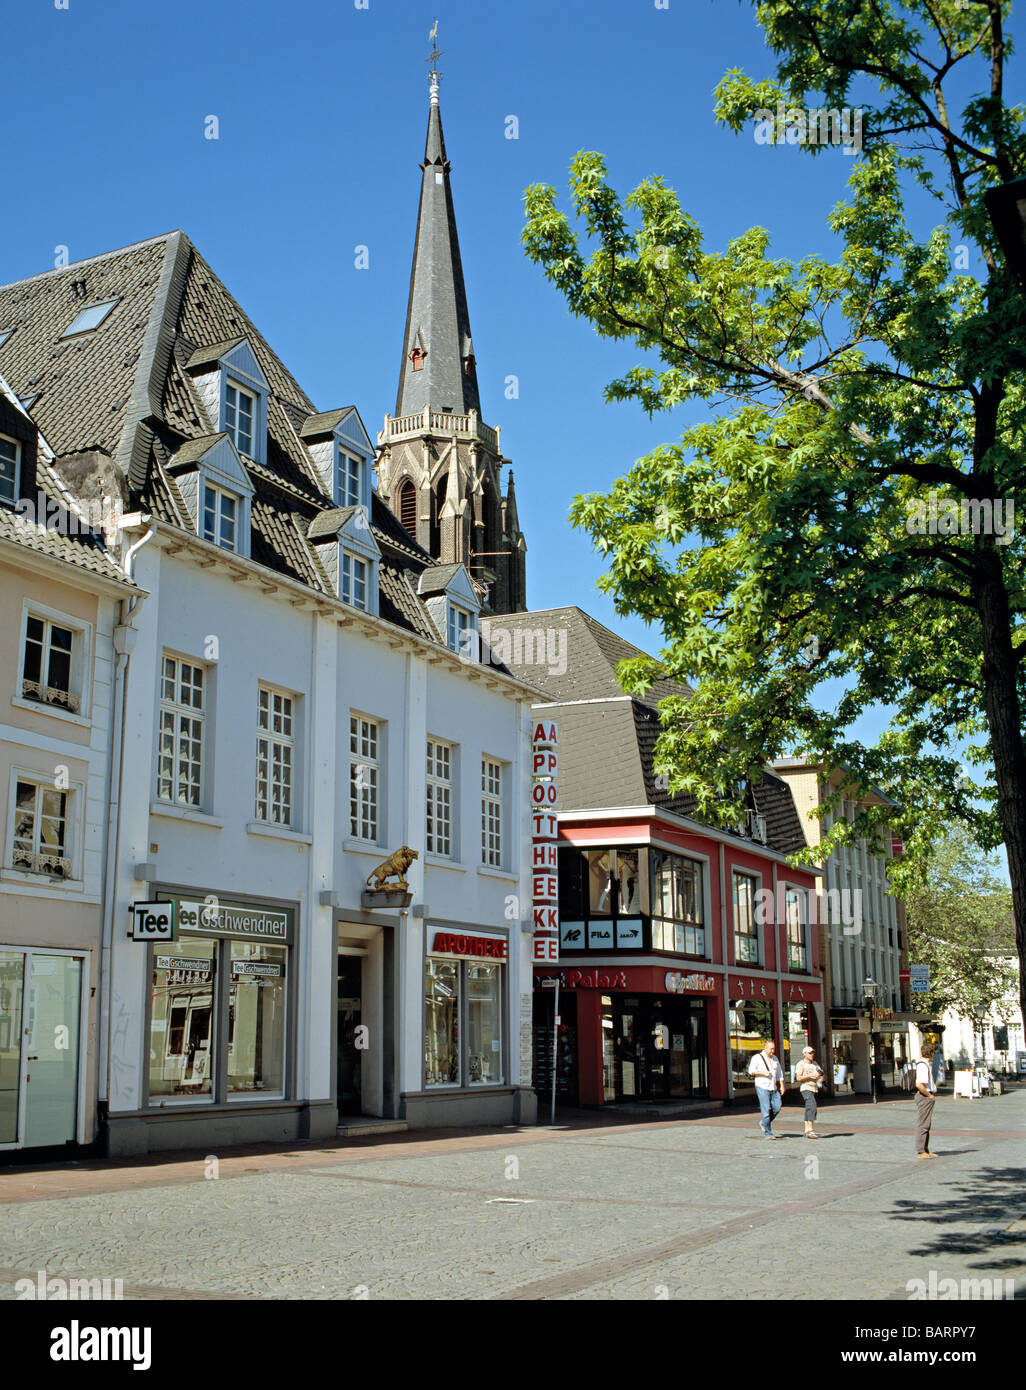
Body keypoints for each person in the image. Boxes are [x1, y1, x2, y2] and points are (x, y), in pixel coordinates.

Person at [748, 1039, 786, 1138]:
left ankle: (763, 1123)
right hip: (762, 1086)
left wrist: (781, 1085)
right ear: (765, 1048)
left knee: (777, 1107)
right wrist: (763, 1073)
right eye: (770, 1049)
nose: (772, 1051)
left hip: (773, 1087)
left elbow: (779, 1073)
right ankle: (768, 1133)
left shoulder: (775, 1059)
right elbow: (751, 1071)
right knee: (766, 1111)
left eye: (774, 1049)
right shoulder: (757, 1058)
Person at [794, 1045, 824, 1137]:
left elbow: (821, 1074)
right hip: (806, 1088)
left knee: (809, 1108)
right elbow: (798, 1078)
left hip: (814, 1088)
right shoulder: (800, 1064)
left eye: (813, 1053)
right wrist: (810, 1076)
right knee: (812, 1106)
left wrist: (820, 1078)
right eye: (810, 1053)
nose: (812, 1054)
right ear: (804, 1054)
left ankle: (807, 1130)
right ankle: (810, 1129)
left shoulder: (815, 1063)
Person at [915, 1043, 939, 1159]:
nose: (934, 1054)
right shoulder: (923, 1065)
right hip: (924, 1096)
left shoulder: (925, 1064)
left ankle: (925, 1149)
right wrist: (929, 1095)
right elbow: (919, 1084)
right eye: (933, 1052)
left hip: (926, 1095)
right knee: (923, 1124)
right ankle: (920, 1151)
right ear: (931, 1053)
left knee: (926, 1124)